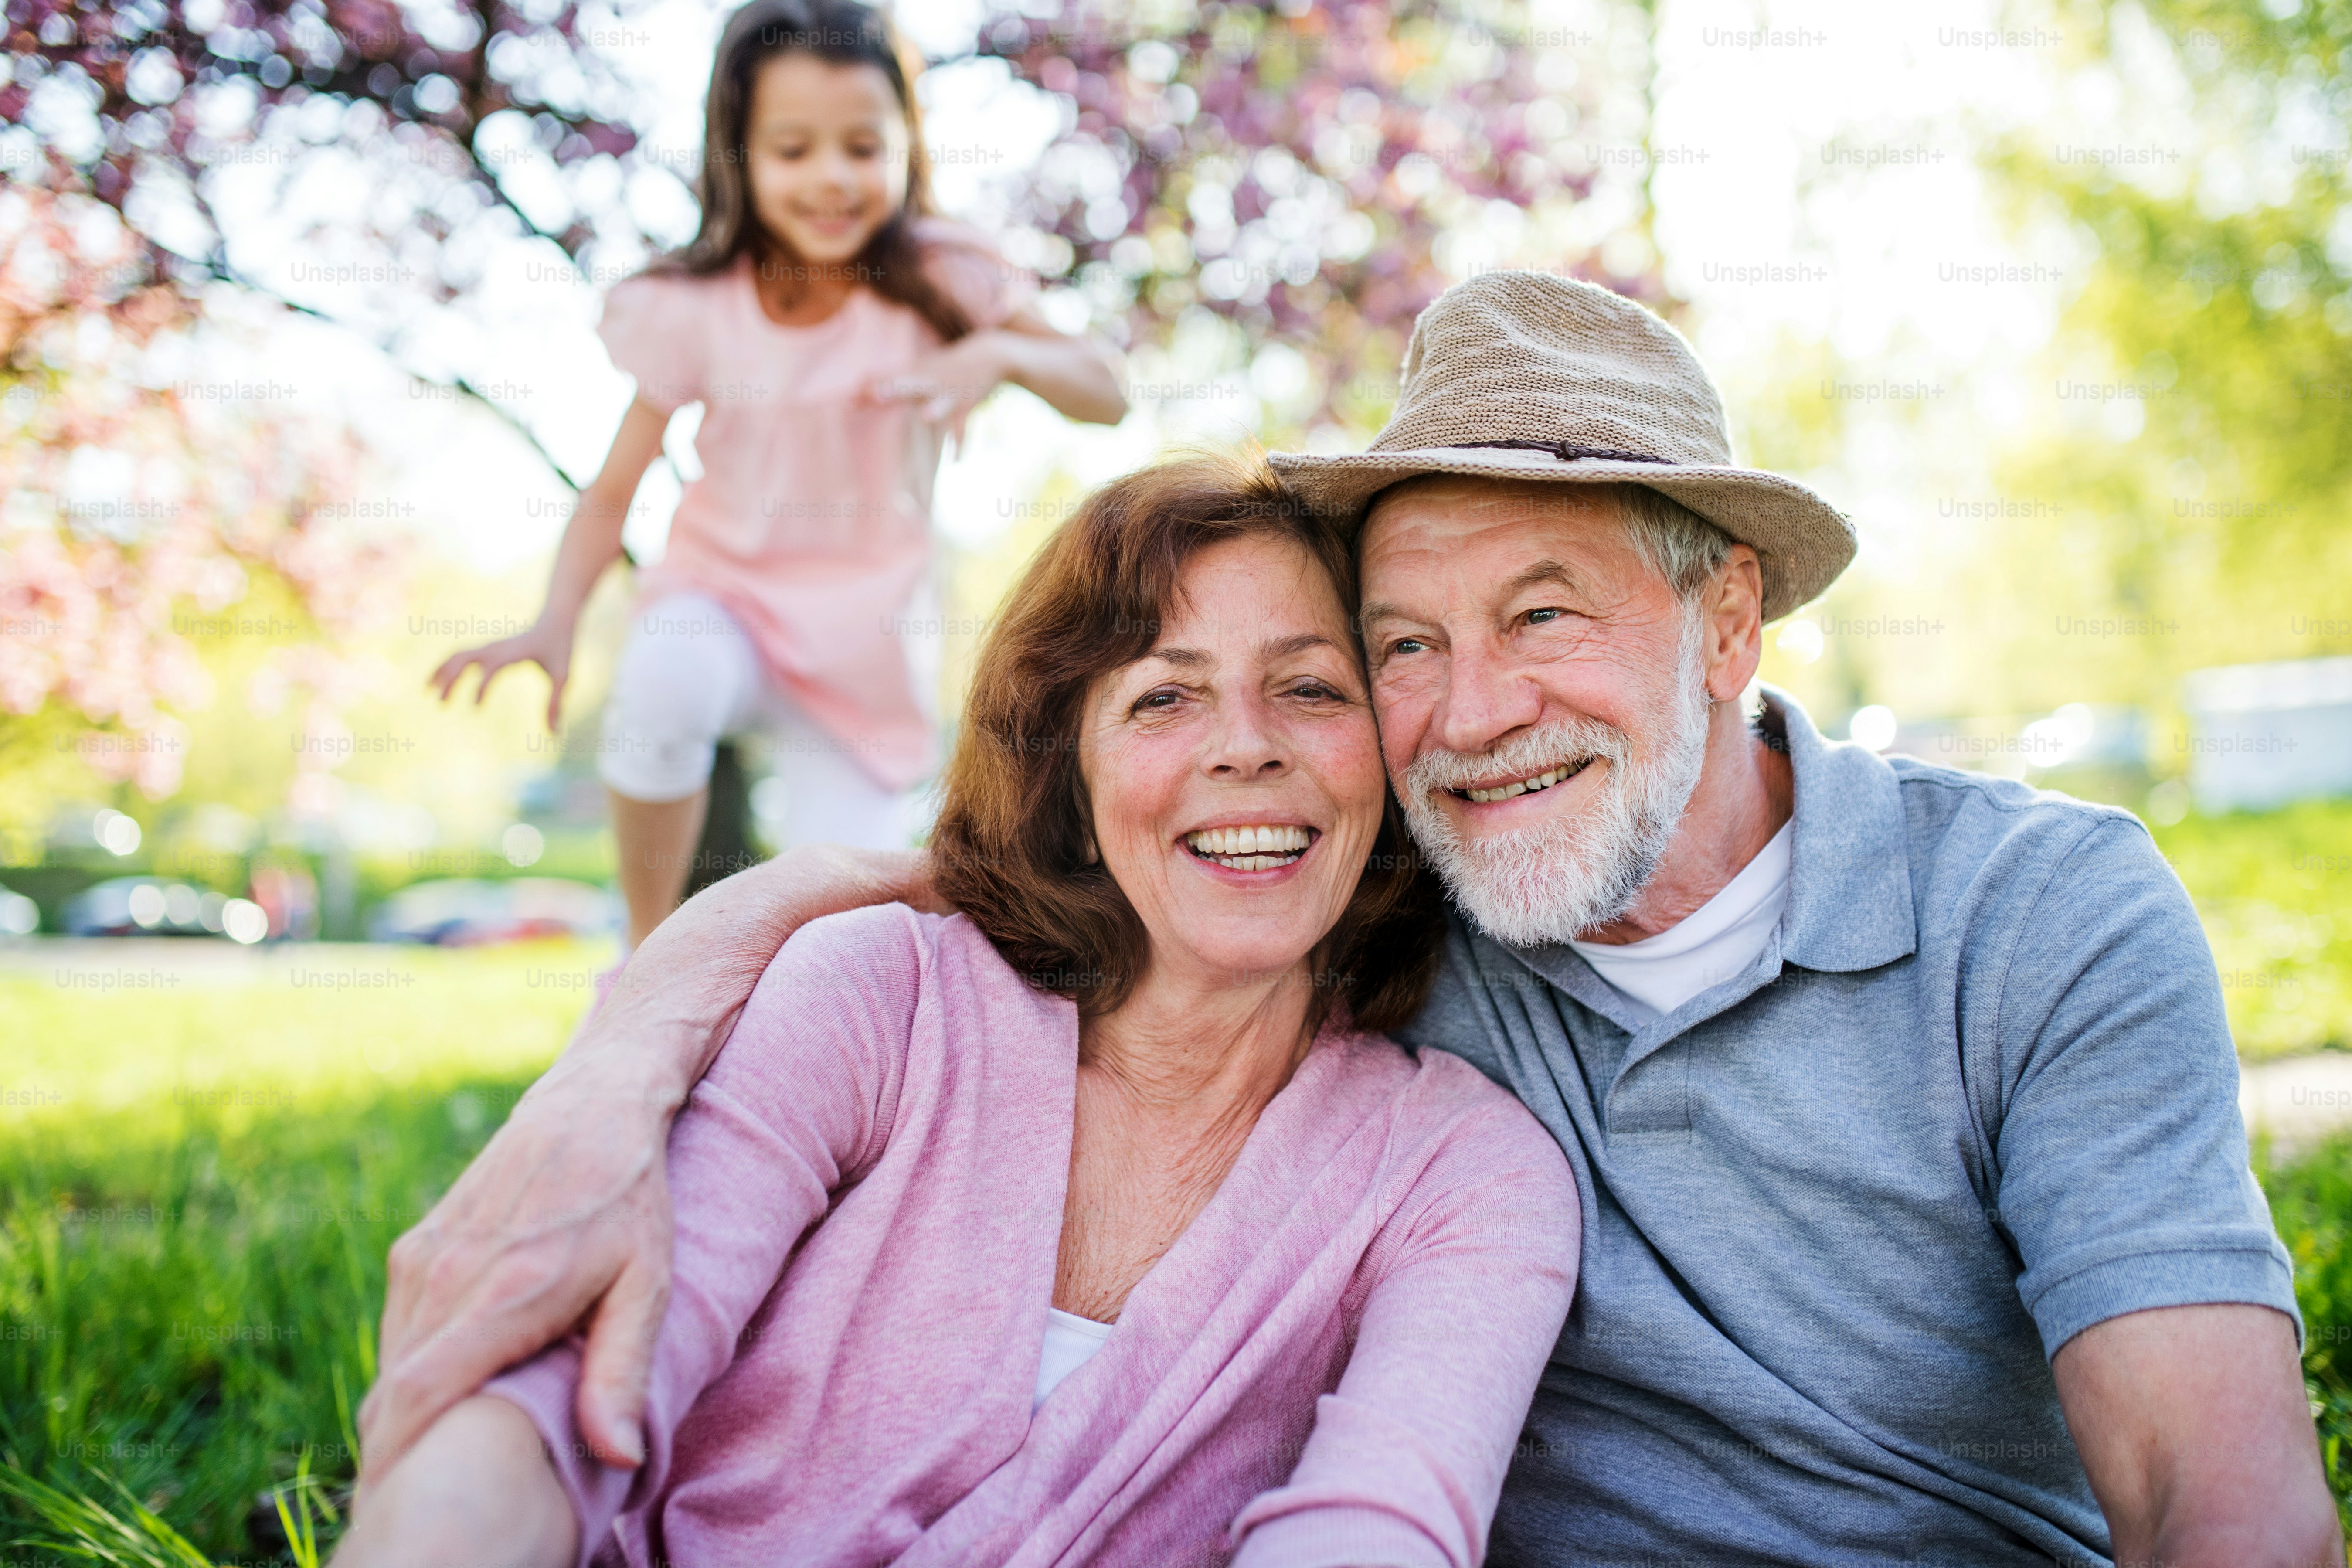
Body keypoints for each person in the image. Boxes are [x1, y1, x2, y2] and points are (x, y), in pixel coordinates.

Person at [364, 273, 2342, 1567]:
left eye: (1542, 615)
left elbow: (2203, 1483)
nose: (1466, 714)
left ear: (1725, 618)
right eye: (1401, 644)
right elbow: (1001, 886)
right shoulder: (1396, 918)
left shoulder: (2036, 915)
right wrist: (628, 1051)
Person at [336, 456, 1580, 1567]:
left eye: (1310, 688)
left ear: (1393, 753)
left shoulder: (1465, 1171)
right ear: (1072, 765)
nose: (1244, 746)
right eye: (1162, 696)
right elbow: (571, 1389)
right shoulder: (883, 996)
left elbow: (1382, 1520)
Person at [429, 0, 1126, 949]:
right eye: (793, 150)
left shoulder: (943, 277)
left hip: (862, 651)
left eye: (861, 147)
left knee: (838, 933)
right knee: (663, 672)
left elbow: (1106, 390)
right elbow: (611, 492)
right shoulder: (696, 305)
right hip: (726, 606)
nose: (831, 179)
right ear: (740, 154)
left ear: (905, 146)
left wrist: (1001, 355)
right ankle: (642, 957)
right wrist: (555, 618)